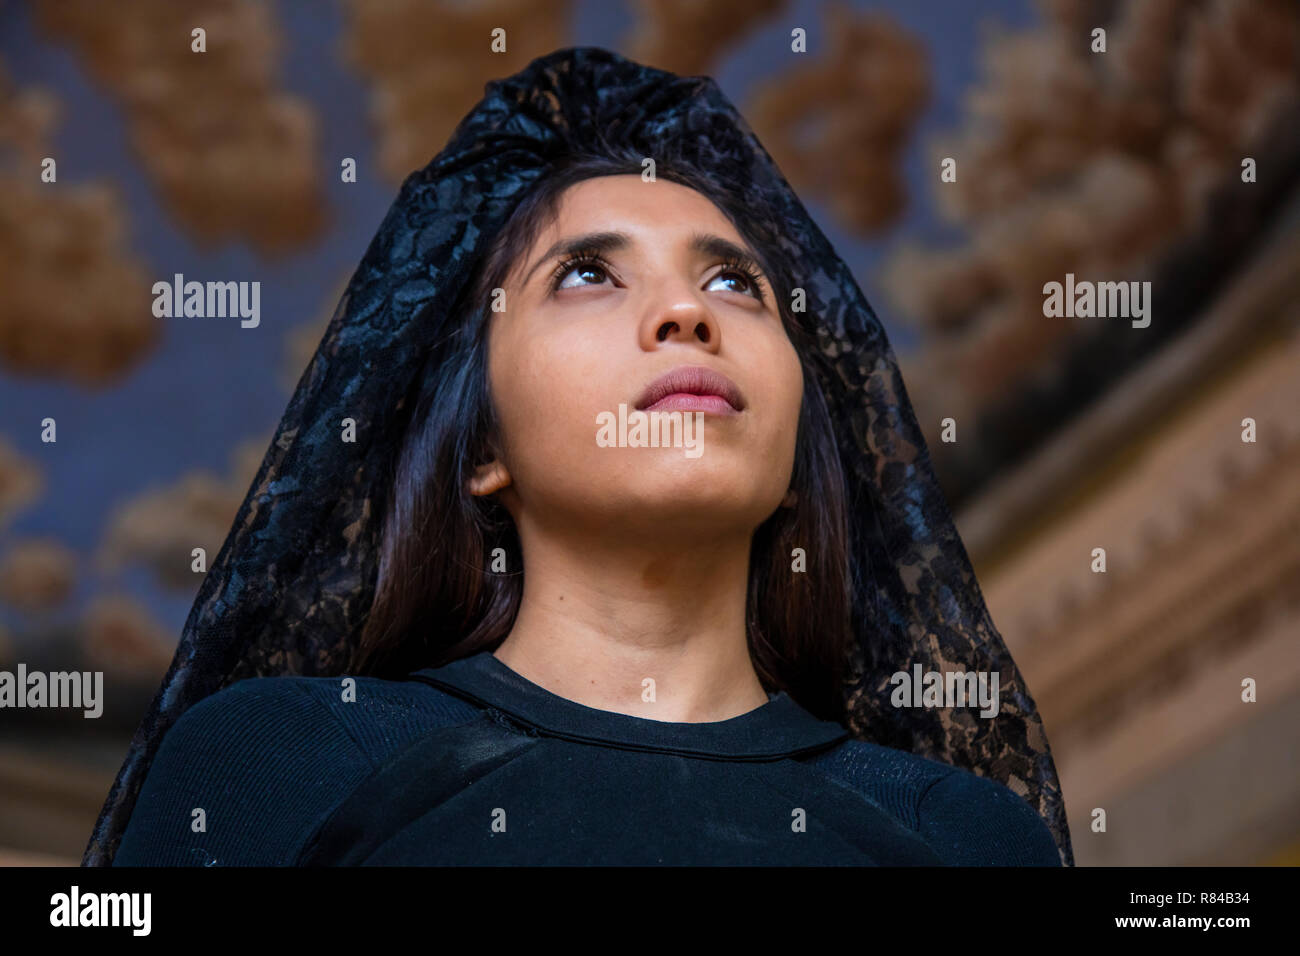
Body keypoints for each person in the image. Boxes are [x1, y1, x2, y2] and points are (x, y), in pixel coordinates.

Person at [90, 47, 1072, 867]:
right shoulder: (276, 760)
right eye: (588, 273)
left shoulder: (967, 838)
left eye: (735, 282)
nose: (687, 313)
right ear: (481, 448)